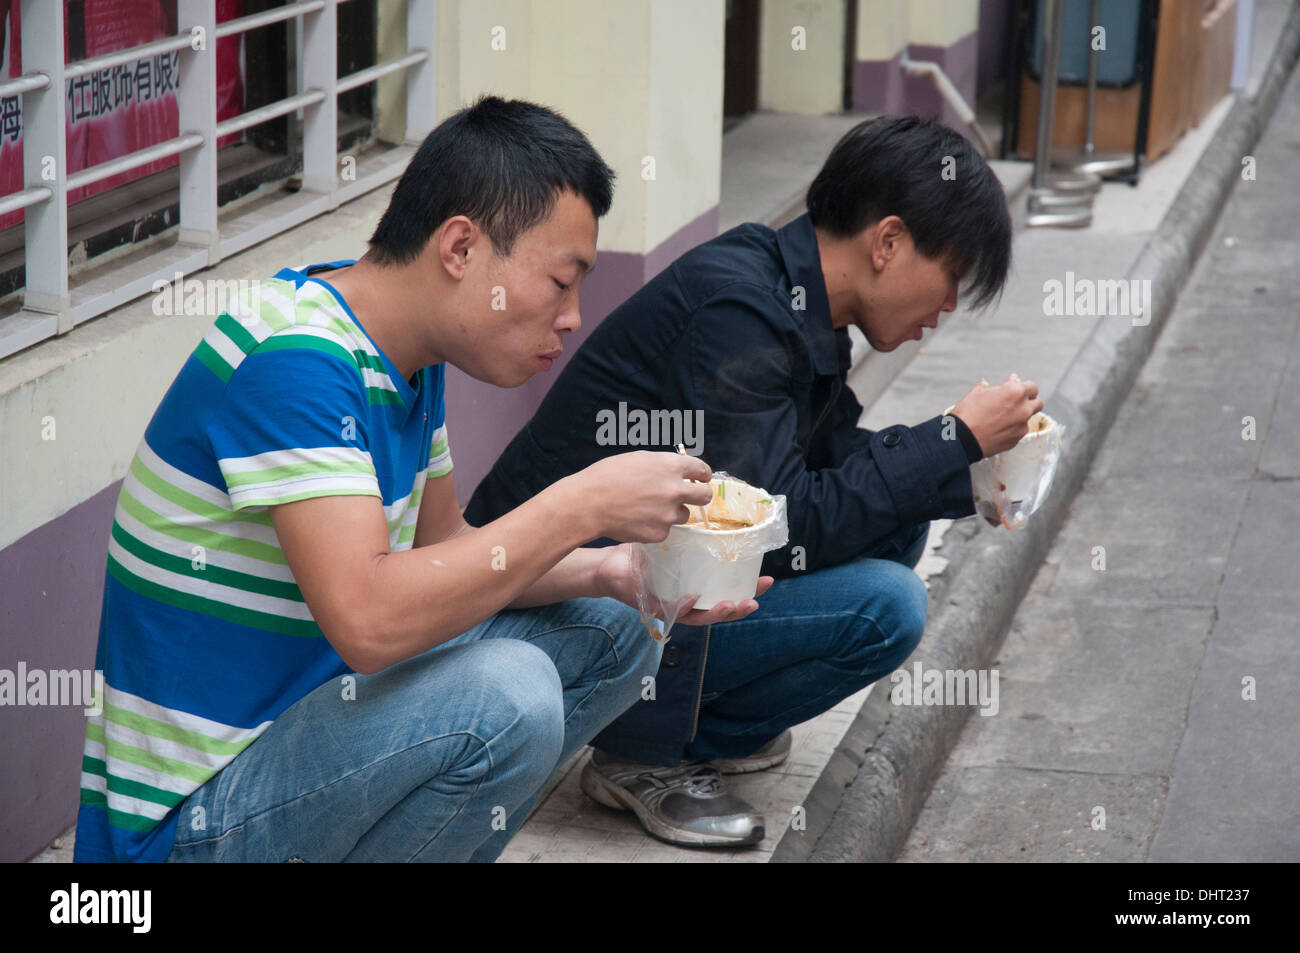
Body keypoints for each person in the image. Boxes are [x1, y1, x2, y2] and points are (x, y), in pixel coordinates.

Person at [72, 96, 768, 864]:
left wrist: (612, 568)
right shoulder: (298, 362)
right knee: (506, 699)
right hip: (190, 826)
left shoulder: (403, 356)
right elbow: (370, 622)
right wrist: (580, 504)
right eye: (560, 281)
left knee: (620, 623)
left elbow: (449, 548)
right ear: (461, 248)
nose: (572, 317)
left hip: (303, 742)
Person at [465, 115, 1042, 847]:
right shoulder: (739, 309)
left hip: (643, 588)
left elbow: (823, 477)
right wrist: (950, 436)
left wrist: (970, 477)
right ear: (889, 242)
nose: (951, 304)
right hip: (556, 605)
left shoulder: (797, 299)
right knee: (890, 603)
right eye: (952, 275)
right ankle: (638, 754)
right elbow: (775, 528)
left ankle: (704, 727)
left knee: (902, 517)